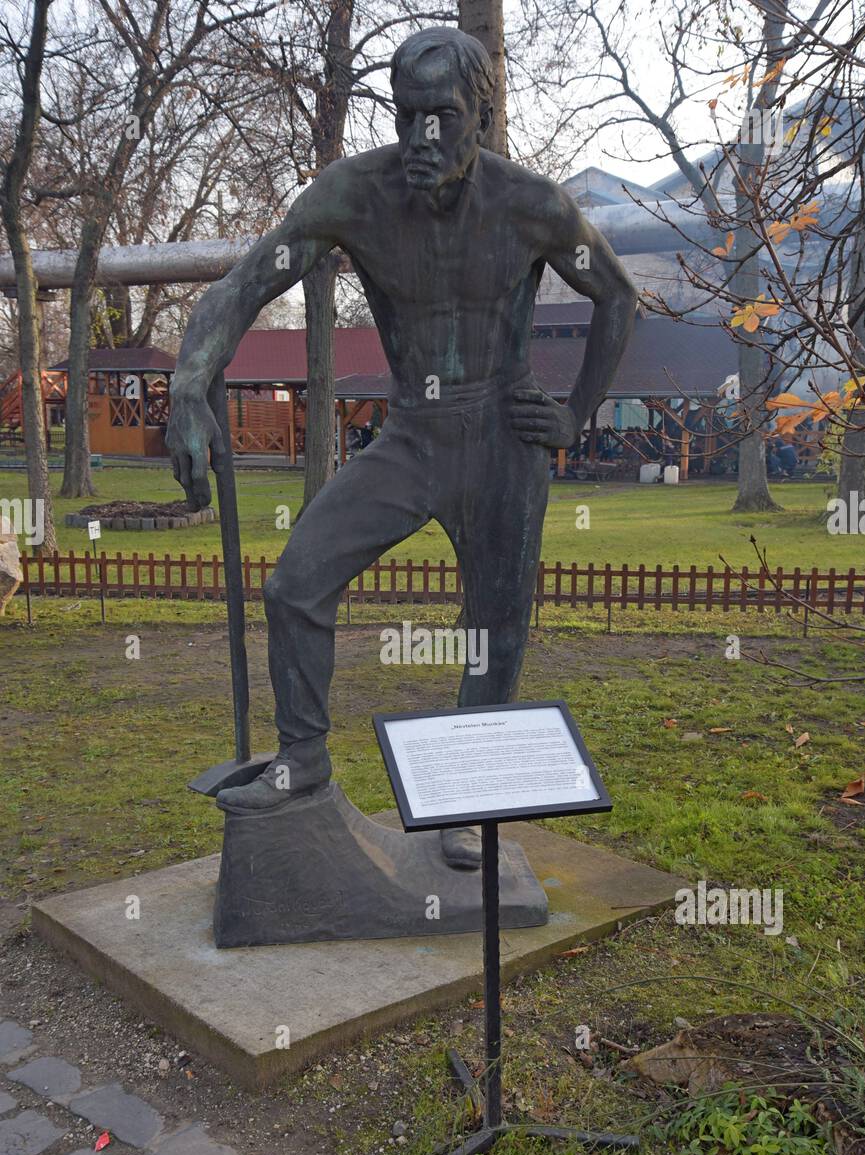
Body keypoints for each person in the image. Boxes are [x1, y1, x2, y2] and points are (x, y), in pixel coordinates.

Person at [166, 27, 636, 868]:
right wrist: (189, 384)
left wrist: (576, 416)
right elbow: (244, 284)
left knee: (494, 625)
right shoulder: (351, 194)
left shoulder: (532, 204)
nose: (422, 138)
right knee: (294, 583)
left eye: (444, 117)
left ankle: (466, 801)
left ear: (482, 115)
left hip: (500, 435)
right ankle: (301, 760)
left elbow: (616, 297)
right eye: (407, 115)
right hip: (412, 434)